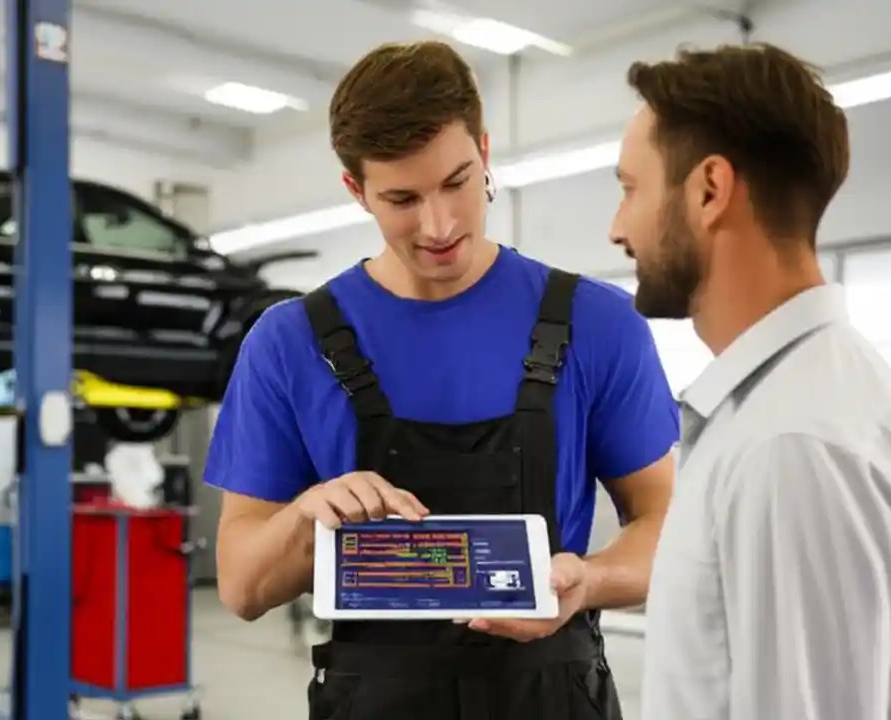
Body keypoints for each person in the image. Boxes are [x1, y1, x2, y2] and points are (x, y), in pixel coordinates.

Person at [205, 39, 679, 719]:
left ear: (484, 152)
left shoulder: (596, 325)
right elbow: (243, 588)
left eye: (457, 181)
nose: (439, 225)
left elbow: (667, 529)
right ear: (356, 190)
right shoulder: (288, 343)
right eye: (402, 198)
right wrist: (304, 519)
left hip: (554, 696)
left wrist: (591, 580)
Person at [612, 43, 891, 719]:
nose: (618, 228)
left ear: (709, 190)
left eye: (630, 189)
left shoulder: (792, 441)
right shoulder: (790, 404)